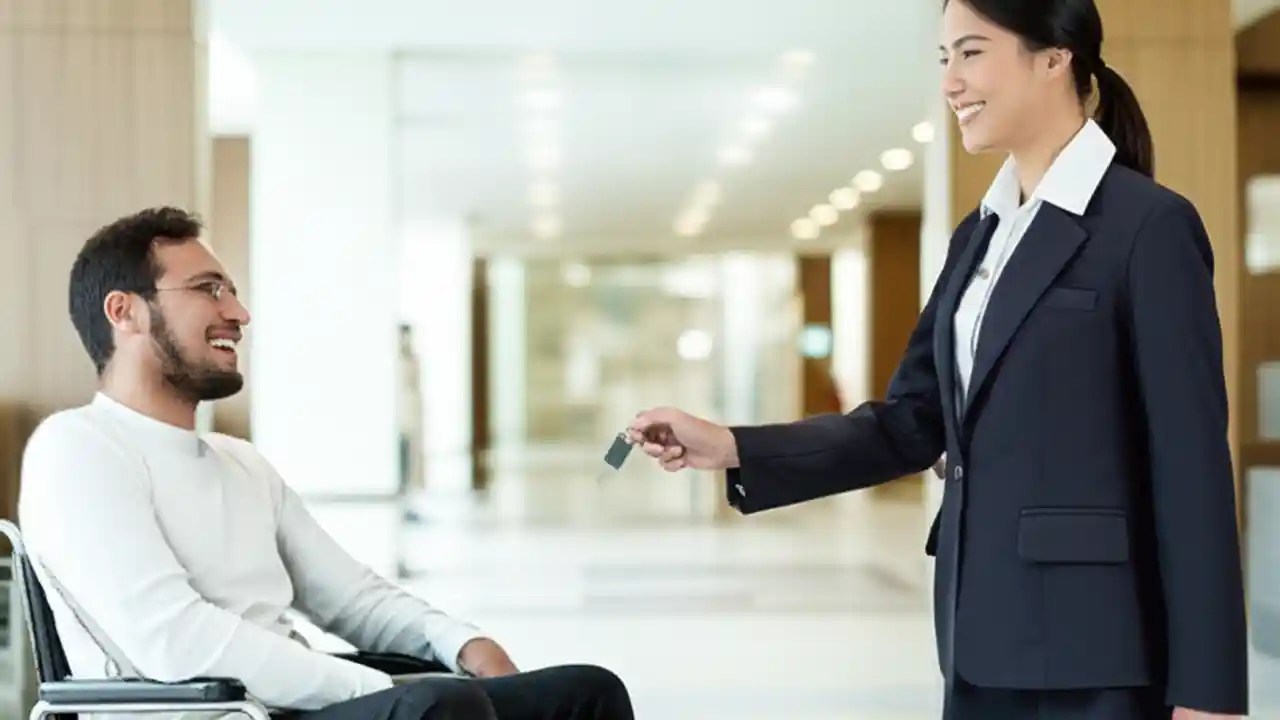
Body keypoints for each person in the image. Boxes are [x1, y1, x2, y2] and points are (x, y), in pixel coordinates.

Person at [628, 1, 1248, 719]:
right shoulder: (979, 237)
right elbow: (911, 423)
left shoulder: (1148, 226)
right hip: (976, 637)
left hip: (1097, 654)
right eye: (943, 59)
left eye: (972, 53)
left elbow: (1192, 467)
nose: (951, 82)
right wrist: (733, 445)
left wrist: (1210, 695)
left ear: (1056, 58)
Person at [18, 207, 634, 720]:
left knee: (586, 694)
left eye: (231, 289)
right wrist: (376, 689)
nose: (238, 312)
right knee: (441, 710)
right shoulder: (78, 449)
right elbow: (176, 643)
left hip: (290, 705)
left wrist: (461, 641)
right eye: (210, 289)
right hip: (211, 710)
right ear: (123, 311)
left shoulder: (241, 464)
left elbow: (350, 598)